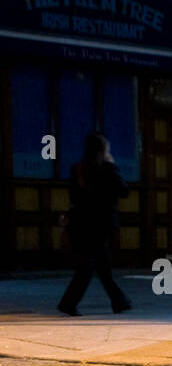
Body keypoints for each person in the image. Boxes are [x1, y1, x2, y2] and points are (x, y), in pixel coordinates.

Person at [57, 133, 131, 316]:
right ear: (102, 151)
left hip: (82, 225)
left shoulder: (78, 170)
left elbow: (74, 198)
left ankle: (118, 300)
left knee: (99, 265)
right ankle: (69, 303)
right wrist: (113, 165)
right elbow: (124, 191)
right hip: (100, 226)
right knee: (89, 267)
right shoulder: (106, 170)